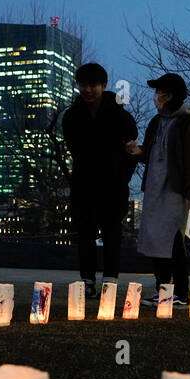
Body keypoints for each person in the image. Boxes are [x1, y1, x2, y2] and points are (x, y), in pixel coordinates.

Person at [129, 73, 190, 306]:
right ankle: (163, 289)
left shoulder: (189, 123)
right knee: (155, 241)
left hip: (176, 191)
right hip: (155, 189)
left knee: (173, 241)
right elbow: (154, 153)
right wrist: (138, 152)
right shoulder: (157, 122)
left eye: (161, 93)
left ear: (170, 96)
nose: (157, 97)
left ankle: (181, 293)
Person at [60, 63, 139, 299]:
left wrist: (120, 177)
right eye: (83, 85)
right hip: (83, 184)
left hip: (113, 185)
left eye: (93, 85)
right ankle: (87, 280)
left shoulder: (121, 116)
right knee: (84, 232)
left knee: (112, 232)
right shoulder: (72, 116)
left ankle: (110, 280)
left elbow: (132, 152)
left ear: (103, 86)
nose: (88, 90)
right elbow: (74, 150)